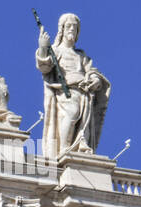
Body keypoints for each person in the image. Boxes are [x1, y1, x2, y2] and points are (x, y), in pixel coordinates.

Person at [37, 13, 110, 157]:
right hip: (65, 92)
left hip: (84, 92)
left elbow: (93, 71)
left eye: (75, 27)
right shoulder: (56, 51)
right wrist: (43, 48)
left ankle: (77, 148)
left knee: (83, 123)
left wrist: (95, 80)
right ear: (62, 29)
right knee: (72, 113)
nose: (72, 29)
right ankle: (64, 148)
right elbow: (44, 66)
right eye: (69, 26)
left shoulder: (81, 55)